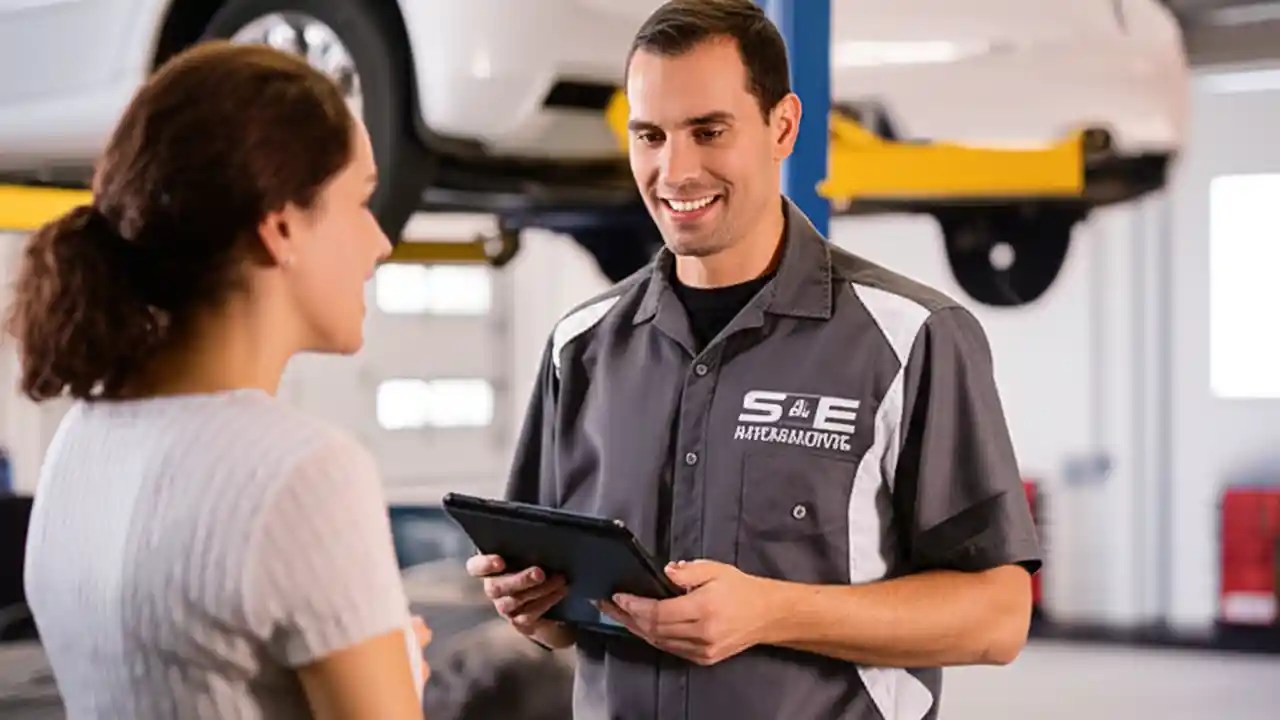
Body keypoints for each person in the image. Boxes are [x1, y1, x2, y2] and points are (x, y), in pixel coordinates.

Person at [466, 1, 1042, 719]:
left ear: (783, 127)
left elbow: (997, 617)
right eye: (650, 135)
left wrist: (773, 611)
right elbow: (557, 615)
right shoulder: (581, 347)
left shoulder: (910, 338)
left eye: (709, 131)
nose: (674, 170)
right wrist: (531, 605)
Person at [8, 41, 431, 719]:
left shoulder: (81, 441)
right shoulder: (307, 473)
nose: (380, 241)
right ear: (283, 227)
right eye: (361, 201)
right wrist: (400, 680)